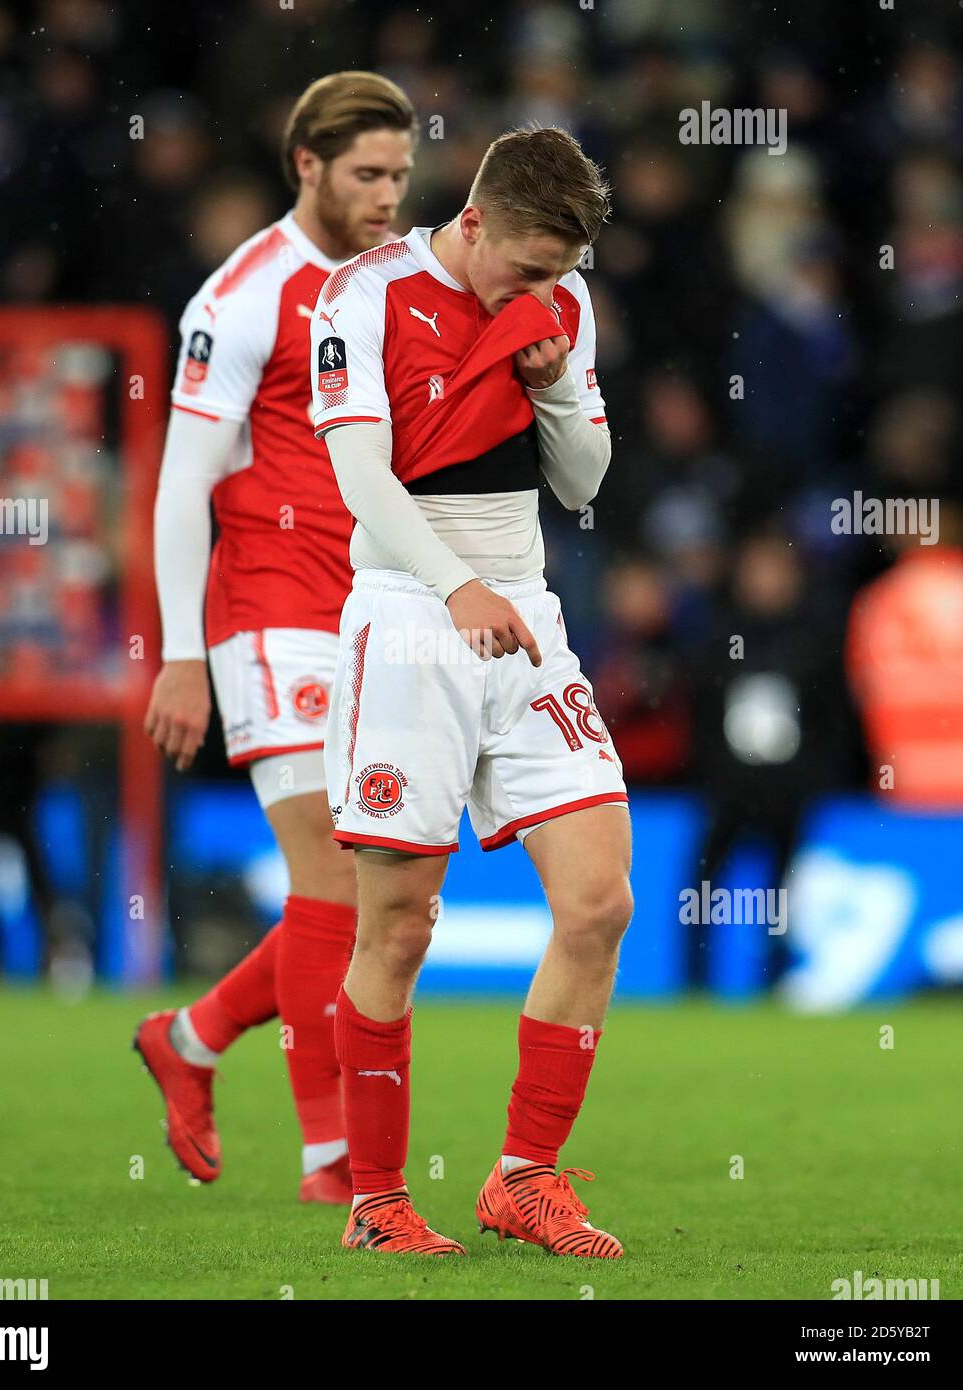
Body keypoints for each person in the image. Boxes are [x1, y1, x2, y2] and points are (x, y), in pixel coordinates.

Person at [310, 126, 633, 1257]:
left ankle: (524, 1178)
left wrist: (551, 387)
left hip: (525, 611)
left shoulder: (562, 300)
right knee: (398, 922)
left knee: (600, 902)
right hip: (410, 612)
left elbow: (585, 481)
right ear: (476, 220)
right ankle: (378, 1201)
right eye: (533, 270)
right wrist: (452, 588)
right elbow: (360, 473)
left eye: (564, 276)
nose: (549, 292)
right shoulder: (364, 294)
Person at [134, 72, 418, 1204]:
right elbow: (181, 481)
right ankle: (331, 1158)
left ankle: (193, 1037)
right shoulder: (244, 294)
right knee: (340, 876)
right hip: (268, 611)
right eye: (366, 176)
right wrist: (181, 651)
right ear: (306, 165)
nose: (389, 196)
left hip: (372, 612)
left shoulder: (396, 281)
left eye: (401, 173)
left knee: (388, 886)